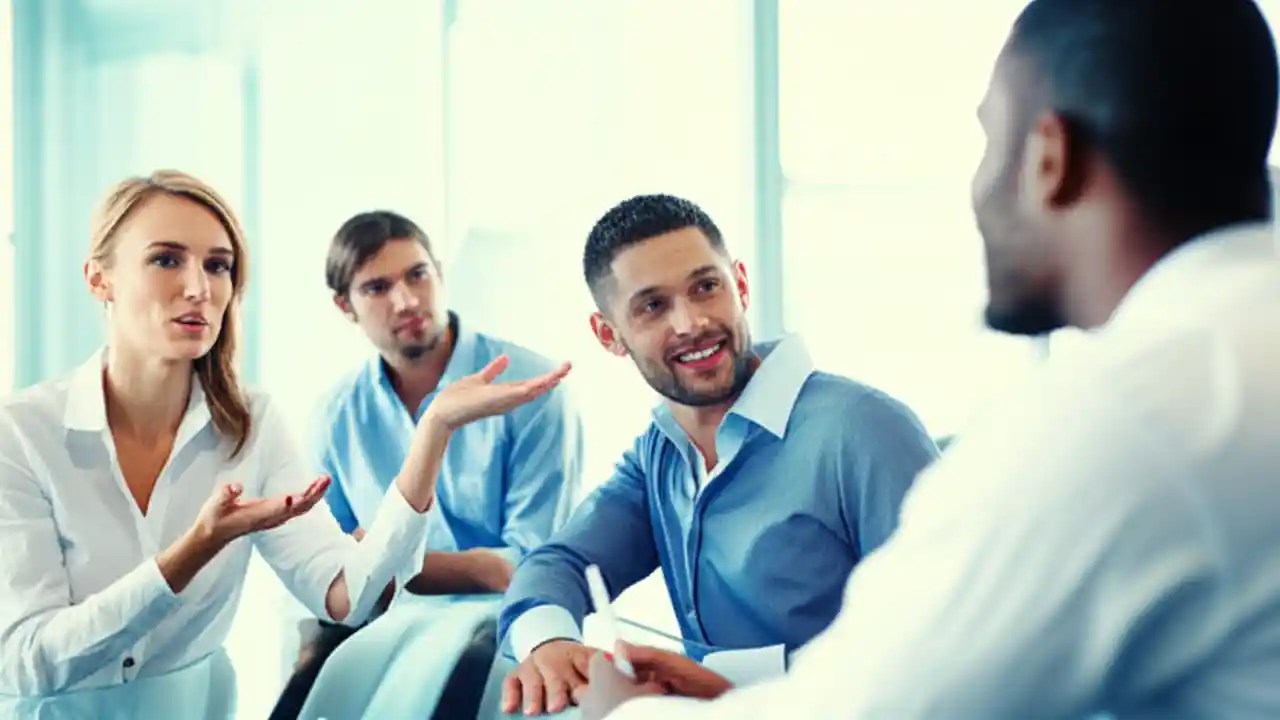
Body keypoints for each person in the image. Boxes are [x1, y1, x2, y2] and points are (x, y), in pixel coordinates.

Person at [581, 0, 1280, 717]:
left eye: (989, 142)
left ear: (1049, 158)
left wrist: (624, 710)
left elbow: (884, 711)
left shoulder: (1127, 418)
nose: (979, 189)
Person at [0, 170, 569, 713]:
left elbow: (349, 593)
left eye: (218, 266)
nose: (198, 287)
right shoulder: (23, 435)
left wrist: (432, 435)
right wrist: (194, 547)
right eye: (165, 259)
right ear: (99, 278)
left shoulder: (252, 425)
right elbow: (28, 662)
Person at [498, 194, 940, 716]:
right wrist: (548, 645)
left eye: (706, 287)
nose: (692, 323)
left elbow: (940, 640)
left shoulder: (863, 431)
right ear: (609, 336)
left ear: (741, 285)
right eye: (653, 306)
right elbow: (559, 562)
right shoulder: (658, 454)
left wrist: (724, 686)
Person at [270, 210, 582, 718]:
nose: (407, 300)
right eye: (377, 287)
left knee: (459, 675)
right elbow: (328, 571)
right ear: (344, 306)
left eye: (417, 274)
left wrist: (385, 558)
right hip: (385, 625)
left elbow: (533, 563)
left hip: (500, 621)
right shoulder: (336, 414)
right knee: (307, 687)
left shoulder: (530, 387)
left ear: (439, 272)